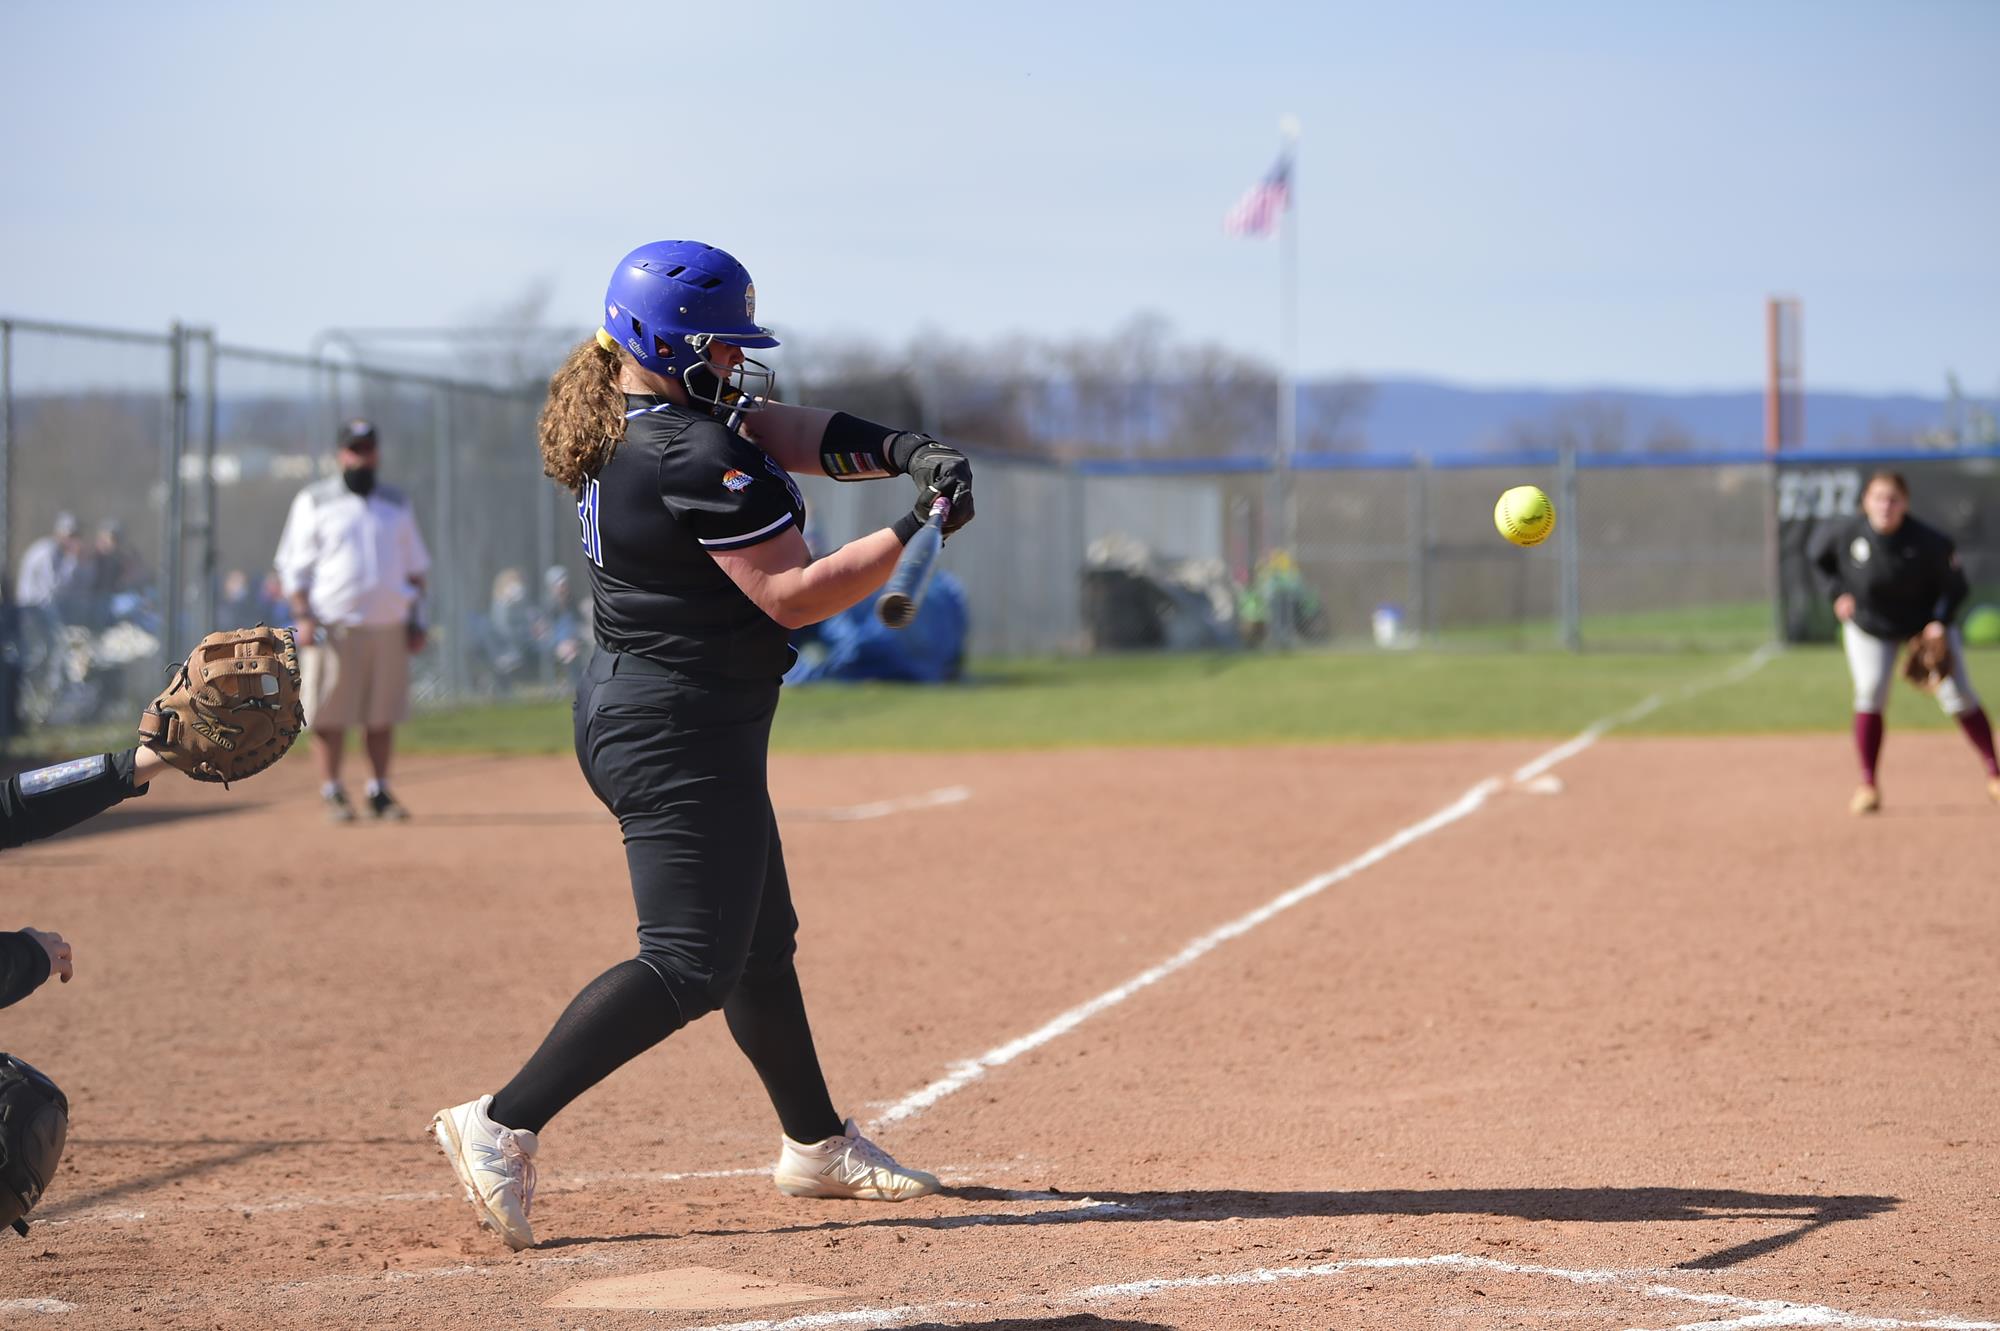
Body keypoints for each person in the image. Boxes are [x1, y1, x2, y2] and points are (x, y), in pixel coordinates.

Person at [430, 239, 974, 1251]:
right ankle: (500, 1120)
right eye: (718, 347)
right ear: (661, 346)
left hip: (665, 709)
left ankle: (814, 1146)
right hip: (673, 725)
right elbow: (793, 593)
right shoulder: (688, 452)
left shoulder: (652, 418)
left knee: (759, 942)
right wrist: (911, 526)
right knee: (689, 960)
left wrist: (906, 451)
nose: (735, 363)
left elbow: (782, 427)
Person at [1809, 469, 1998, 814]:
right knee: (1870, 691)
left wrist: (1939, 621)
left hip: (1923, 627)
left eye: (1893, 499)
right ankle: (1868, 785)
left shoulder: (1928, 542)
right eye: (1879, 498)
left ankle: (1994, 774)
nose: (1886, 506)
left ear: (1905, 504)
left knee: (1959, 695)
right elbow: (1818, 560)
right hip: (1870, 625)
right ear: (1866, 501)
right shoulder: (1846, 532)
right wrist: (1836, 594)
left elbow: (1956, 587)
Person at [274, 419, 432, 822]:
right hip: (333, 626)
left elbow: (415, 570)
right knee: (330, 714)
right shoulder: (315, 500)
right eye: (353, 449)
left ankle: (379, 790)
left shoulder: (396, 503)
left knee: (381, 713)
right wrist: (303, 616)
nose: (360, 456)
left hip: (387, 625)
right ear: (340, 454)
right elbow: (293, 568)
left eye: (367, 449)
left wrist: (417, 620)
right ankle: (332, 790)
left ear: (376, 453)